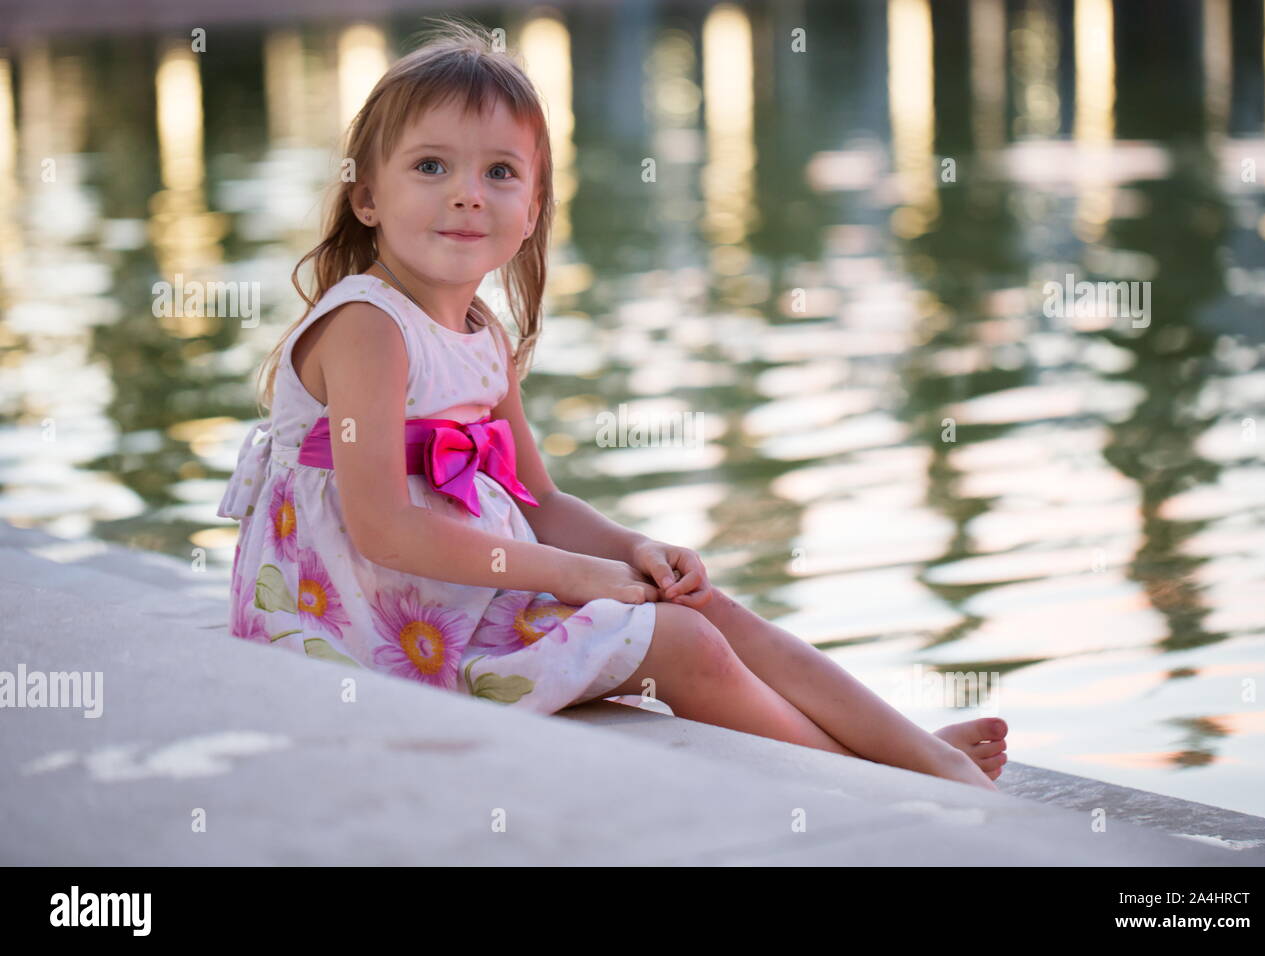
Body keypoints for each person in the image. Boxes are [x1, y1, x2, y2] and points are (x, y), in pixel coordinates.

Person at [216, 18, 1007, 791]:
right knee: (682, 644)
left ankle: (908, 750)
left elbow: (540, 499)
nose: (466, 196)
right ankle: (880, 778)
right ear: (367, 198)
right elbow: (383, 528)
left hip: (453, 594)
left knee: (704, 605)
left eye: (500, 173)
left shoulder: (483, 334)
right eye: (431, 166)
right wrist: (577, 576)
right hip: (361, 629)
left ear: (533, 210)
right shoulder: (368, 327)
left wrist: (635, 551)